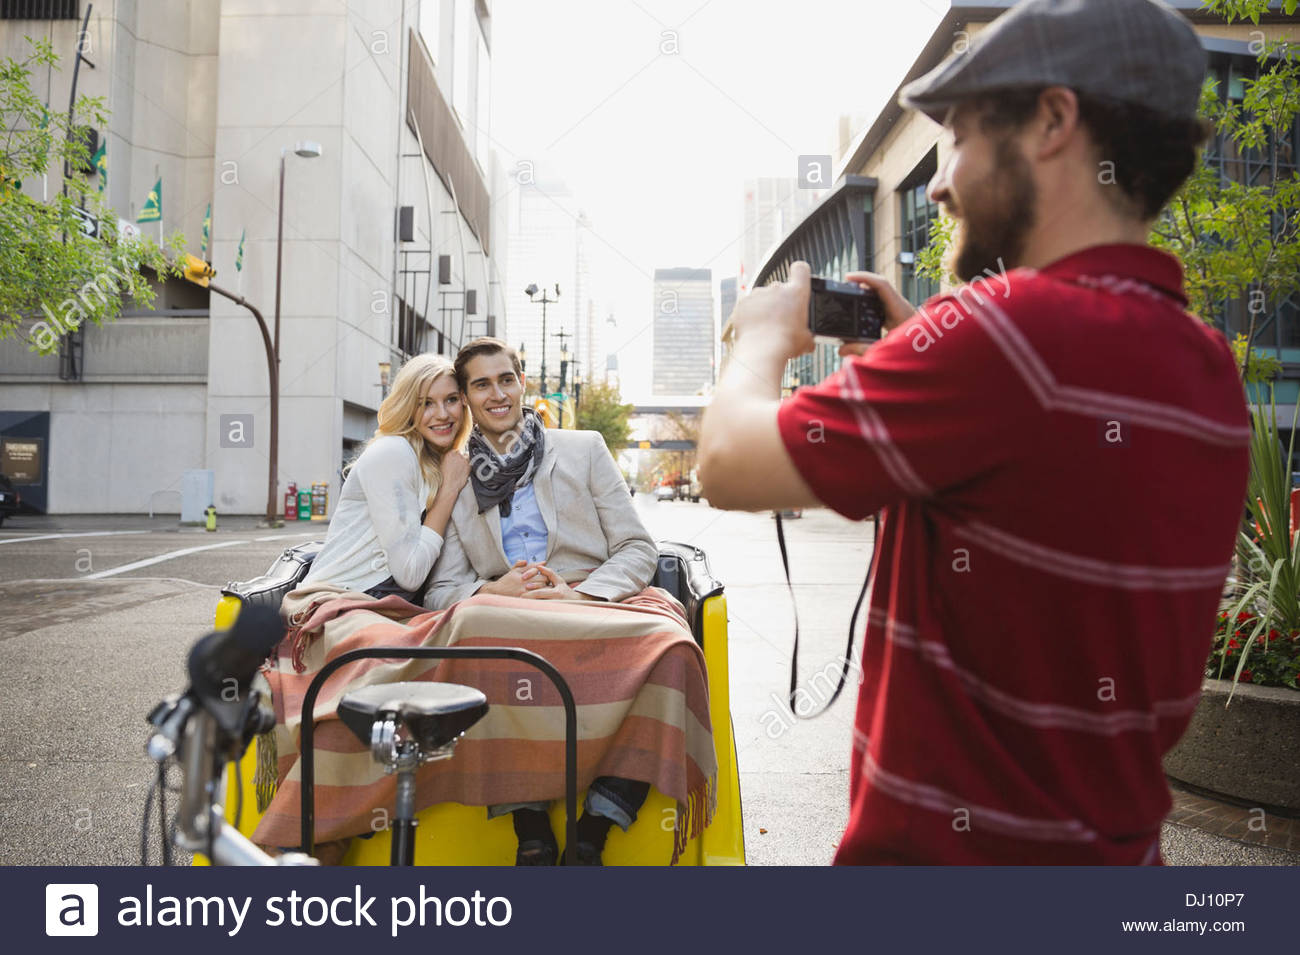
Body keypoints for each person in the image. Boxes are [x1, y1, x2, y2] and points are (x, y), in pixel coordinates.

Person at [698, 0, 1250, 864]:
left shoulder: (1004, 334)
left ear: (1053, 119)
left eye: (956, 136)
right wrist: (926, 342)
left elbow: (728, 463)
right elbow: (1041, 468)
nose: (942, 181)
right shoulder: (1206, 364)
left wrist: (763, 335)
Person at [425, 337, 665, 865]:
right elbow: (442, 590)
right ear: (466, 398)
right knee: (479, 631)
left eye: (505, 379)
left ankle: (596, 827)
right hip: (507, 607)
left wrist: (579, 593)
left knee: (668, 645)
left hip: (590, 593)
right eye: (481, 384)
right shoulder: (456, 477)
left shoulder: (583, 448)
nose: (497, 394)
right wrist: (493, 589)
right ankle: (530, 825)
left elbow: (637, 547)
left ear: (522, 383)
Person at [299, 353, 471, 603]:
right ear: (408, 408)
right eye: (425, 403)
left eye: (451, 399)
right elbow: (409, 574)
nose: (442, 414)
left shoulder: (441, 462)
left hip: (385, 602)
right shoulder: (393, 452)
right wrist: (448, 491)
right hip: (340, 601)